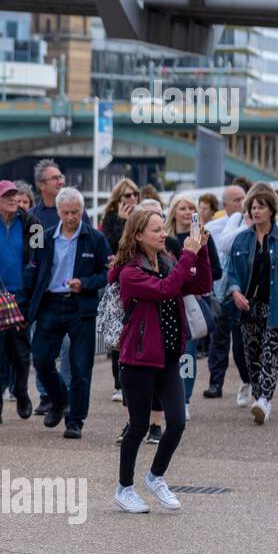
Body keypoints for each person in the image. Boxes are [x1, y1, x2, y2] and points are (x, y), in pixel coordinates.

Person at [110, 208, 211, 513]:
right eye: (156, 230)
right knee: (138, 426)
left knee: (178, 423)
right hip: (138, 359)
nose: (163, 233)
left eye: (163, 228)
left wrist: (201, 250)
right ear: (138, 235)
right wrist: (188, 255)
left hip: (168, 357)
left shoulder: (168, 261)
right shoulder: (129, 271)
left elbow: (200, 285)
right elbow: (166, 290)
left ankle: (155, 477)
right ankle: (124, 488)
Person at [23, 188, 109, 438]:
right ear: (58, 212)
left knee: (81, 366)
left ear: (82, 211)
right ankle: (59, 399)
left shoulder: (94, 238)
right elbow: (31, 267)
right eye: (66, 212)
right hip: (50, 303)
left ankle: (75, 420)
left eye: (76, 212)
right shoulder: (44, 237)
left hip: (80, 306)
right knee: (40, 360)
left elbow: (106, 273)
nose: (71, 217)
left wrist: (85, 282)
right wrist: (25, 304)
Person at [225, 185, 278, 424]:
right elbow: (232, 272)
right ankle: (259, 396)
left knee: (271, 354)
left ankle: (264, 402)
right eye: (253, 207)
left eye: (261, 206)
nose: (257, 211)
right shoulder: (241, 240)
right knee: (252, 358)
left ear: (271, 209)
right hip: (247, 307)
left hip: (276, 305)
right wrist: (235, 292)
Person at [0, 179, 43, 424]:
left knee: (20, 352)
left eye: (15, 195)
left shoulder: (32, 225)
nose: (13, 199)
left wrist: (30, 284)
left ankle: (22, 392)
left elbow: (38, 257)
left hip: (21, 297)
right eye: (7, 196)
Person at [167, 193, 222, 406]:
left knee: (188, 352)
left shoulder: (204, 237)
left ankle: (185, 399)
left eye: (191, 209)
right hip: (169, 299)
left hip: (193, 301)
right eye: (183, 208)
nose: (188, 213)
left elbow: (215, 271)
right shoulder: (165, 238)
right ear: (174, 211)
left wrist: (195, 265)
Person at [203, 182, 251, 401]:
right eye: (237, 200)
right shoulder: (214, 227)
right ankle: (215, 383)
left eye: (244, 199)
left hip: (241, 289)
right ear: (225, 204)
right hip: (219, 289)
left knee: (241, 341)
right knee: (219, 339)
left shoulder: (252, 223)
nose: (242, 204)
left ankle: (247, 378)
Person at [101, 178, 140, 401]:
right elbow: (110, 246)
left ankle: (133, 380)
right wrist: (122, 223)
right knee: (119, 331)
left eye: (135, 194)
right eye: (127, 195)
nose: (132, 198)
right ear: (118, 199)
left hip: (140, 278)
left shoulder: (143, 217)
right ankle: (119, 383)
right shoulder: (111, 218)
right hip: (119, 281)